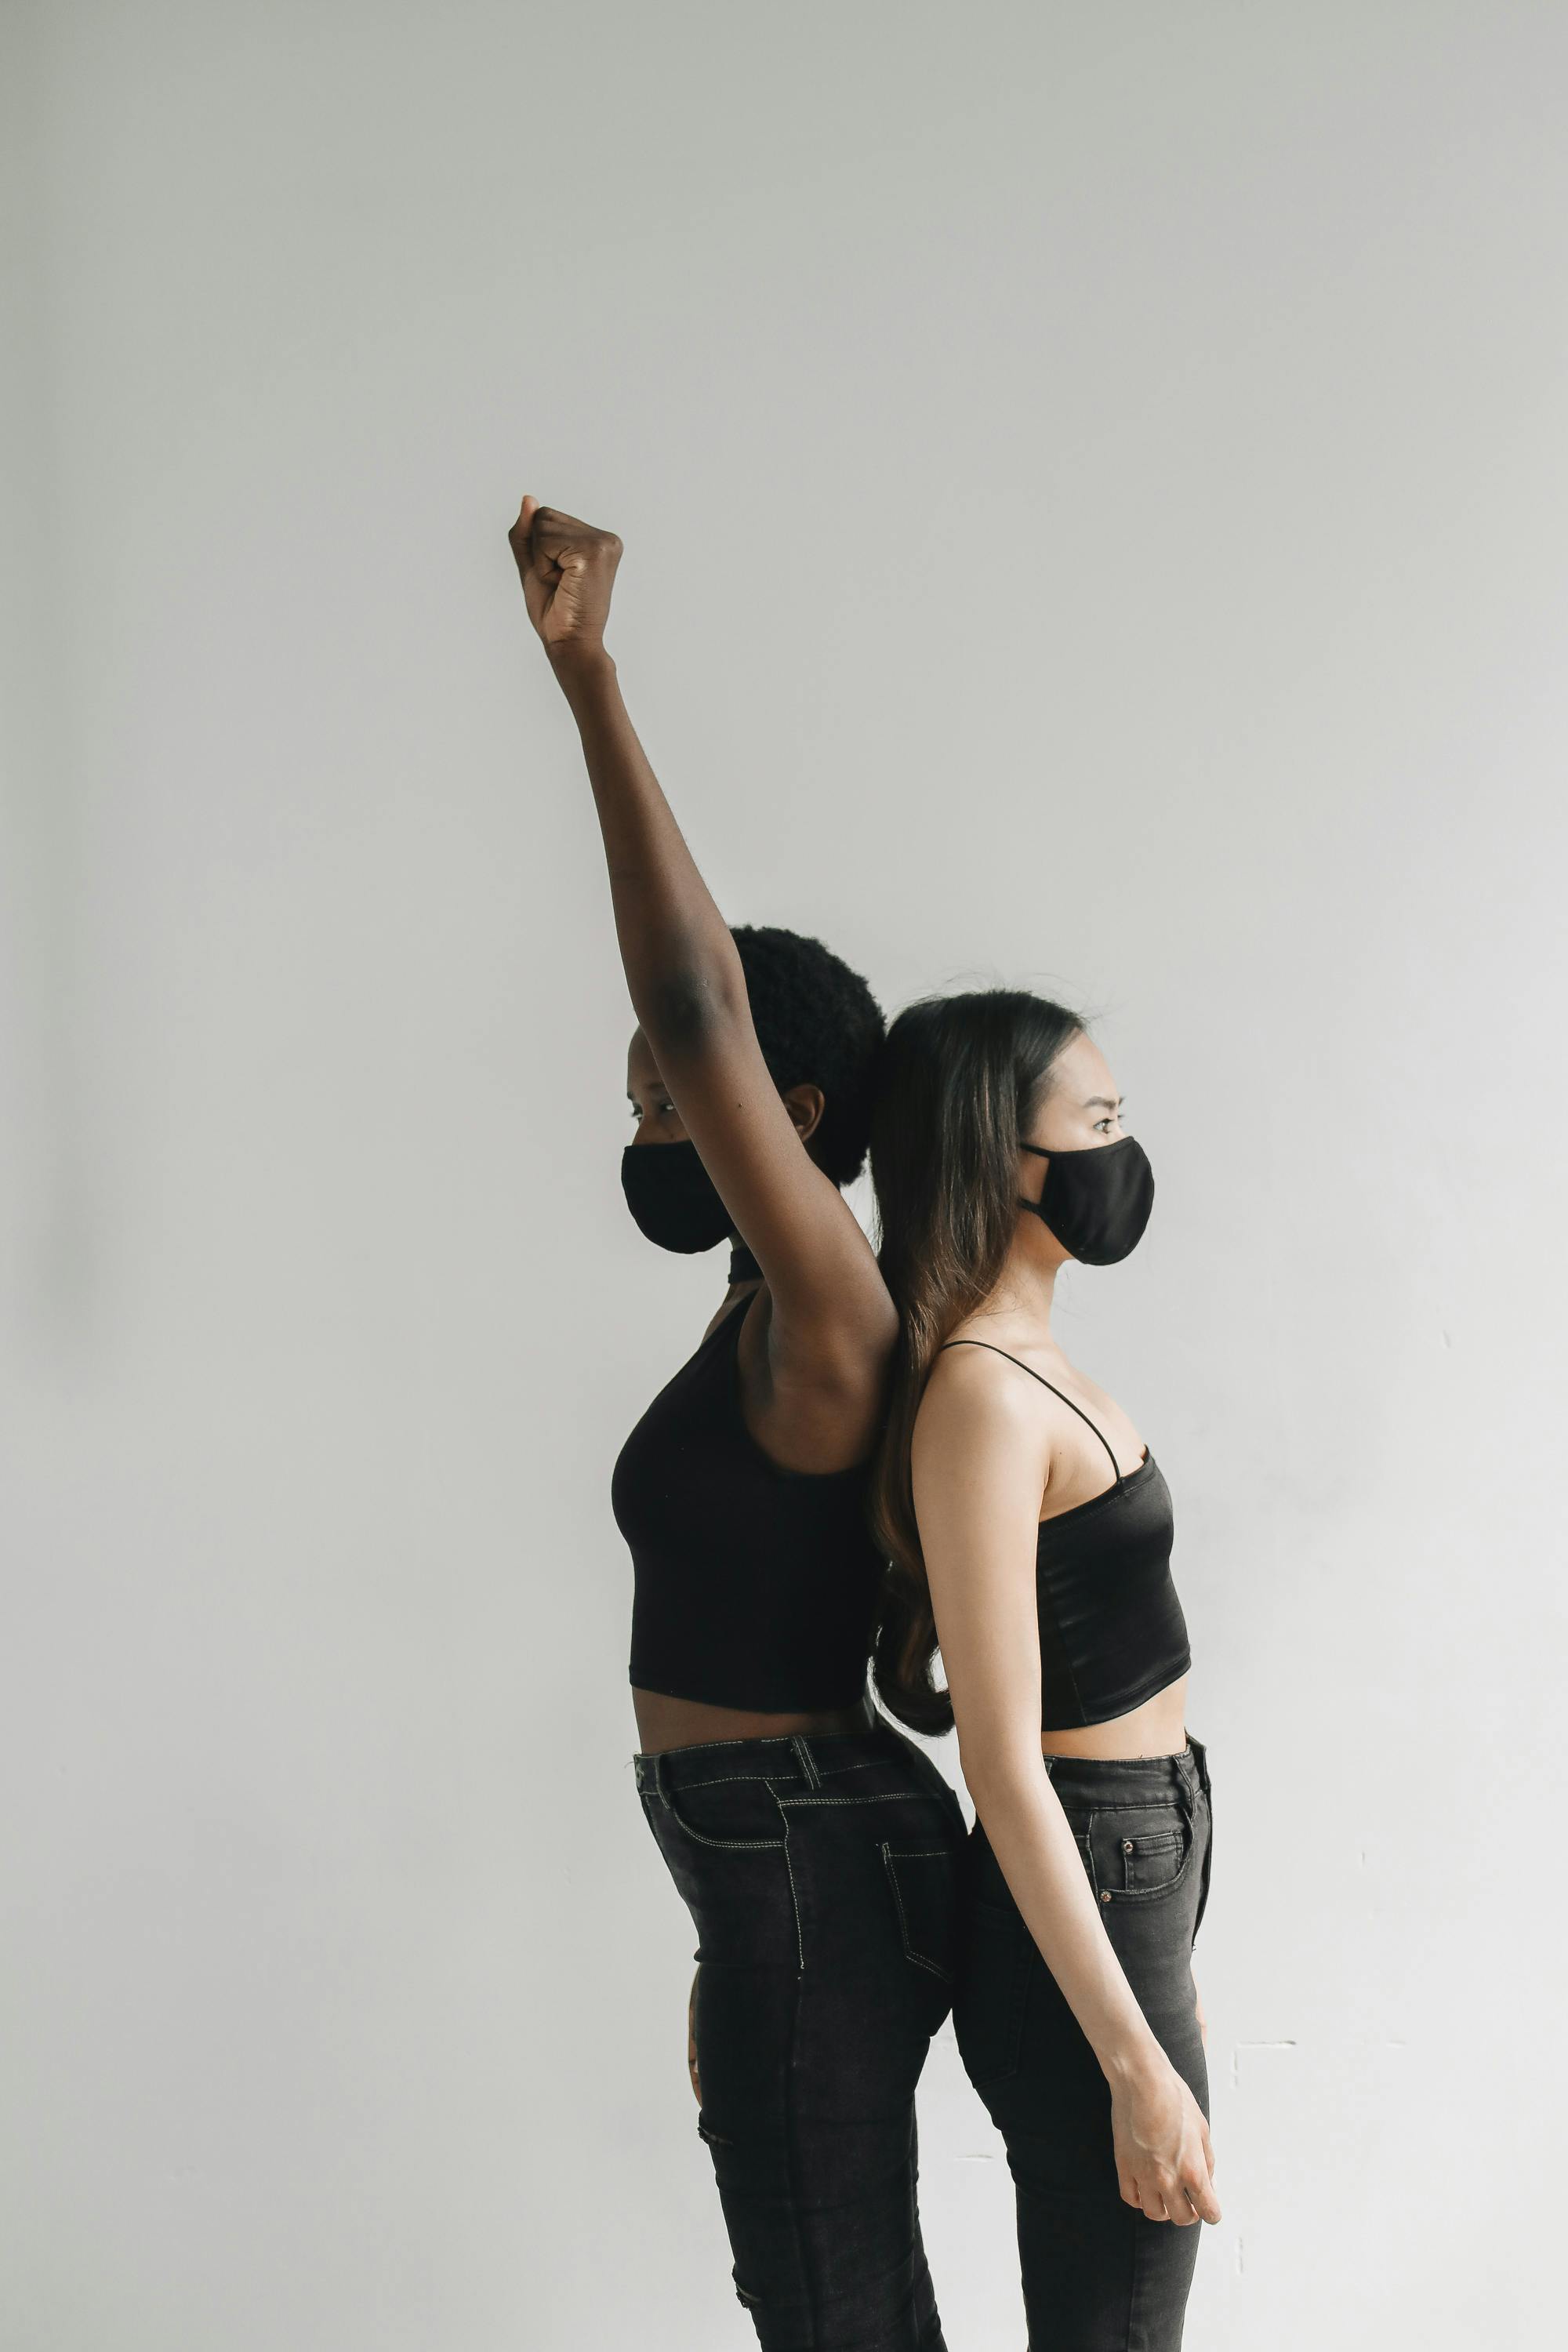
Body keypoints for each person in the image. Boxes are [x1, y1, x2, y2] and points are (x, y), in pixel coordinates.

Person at [508, 496, 965, 2352]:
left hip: (804, 1850)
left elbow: (693, 997)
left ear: (771, 1109)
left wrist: (588, 679)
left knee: (832, 2316)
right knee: (830, 2300)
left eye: (667, 1100)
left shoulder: (835, 1303)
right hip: (773, 1866)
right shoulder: (762, 1309)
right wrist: (732, 1938)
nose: (645, 1127)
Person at [868, 989, 1220, 2352]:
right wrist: (1134, 2064)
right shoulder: (979, 1395)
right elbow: (1002, 1764)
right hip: (1085, 1851)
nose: (1121, 1157)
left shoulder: (1030, 1360)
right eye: (1099, 1125)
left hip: (1145, 1847)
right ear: (996, 1160)